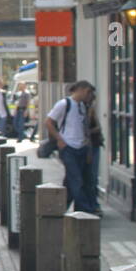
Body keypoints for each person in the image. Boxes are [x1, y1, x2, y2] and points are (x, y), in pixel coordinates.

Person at [46, 81, 98, 214]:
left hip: (82, 147)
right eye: (88, 92)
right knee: (76, 179)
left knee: (73, 181)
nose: (89, 96)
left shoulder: (83, 106)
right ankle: (85, 210)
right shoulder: (64, 104)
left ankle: (60, 208)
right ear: (81, 90)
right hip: (68, 147)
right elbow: (49, 122)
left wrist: (88, 149)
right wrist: (60, 140)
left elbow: (85, 129)